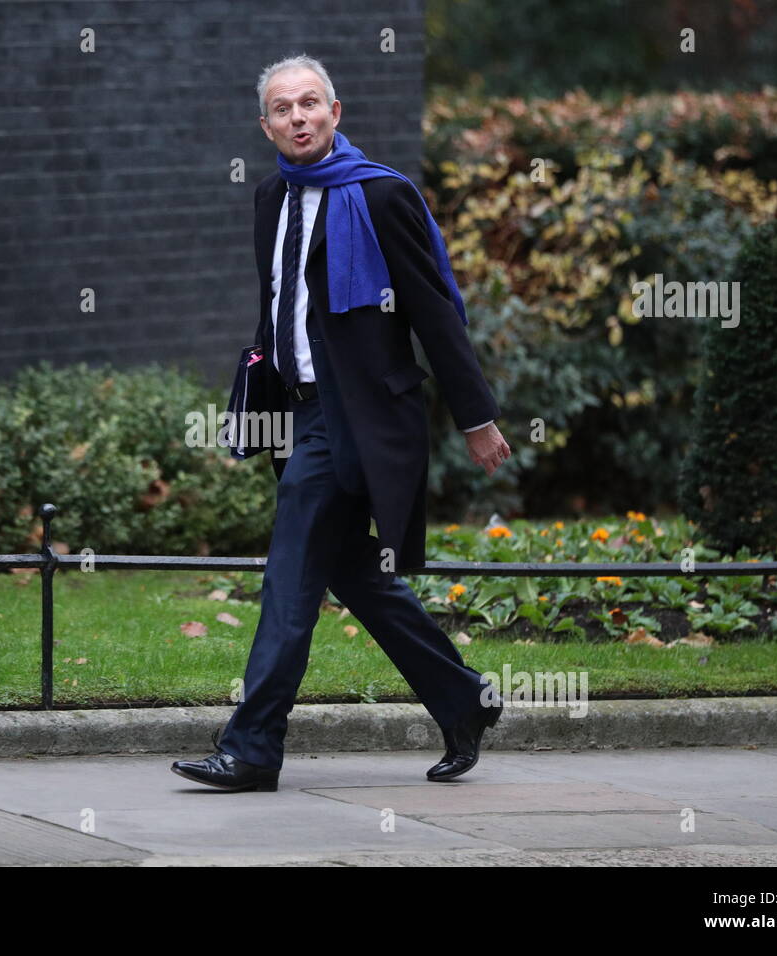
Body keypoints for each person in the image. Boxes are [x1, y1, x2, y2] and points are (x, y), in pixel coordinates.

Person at [171, 54, 511, 793]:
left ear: (336, 112)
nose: (299, 117)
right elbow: (280, 306)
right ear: (265, 126)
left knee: (290, 573)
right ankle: (466, 698)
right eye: (283, 109)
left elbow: (434, 312)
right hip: (297, 413)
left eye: (311, 103)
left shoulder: (381, 196)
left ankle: (253, 746)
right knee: (356, 574)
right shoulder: (270, 196)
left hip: (360, 415)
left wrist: (475, 416)